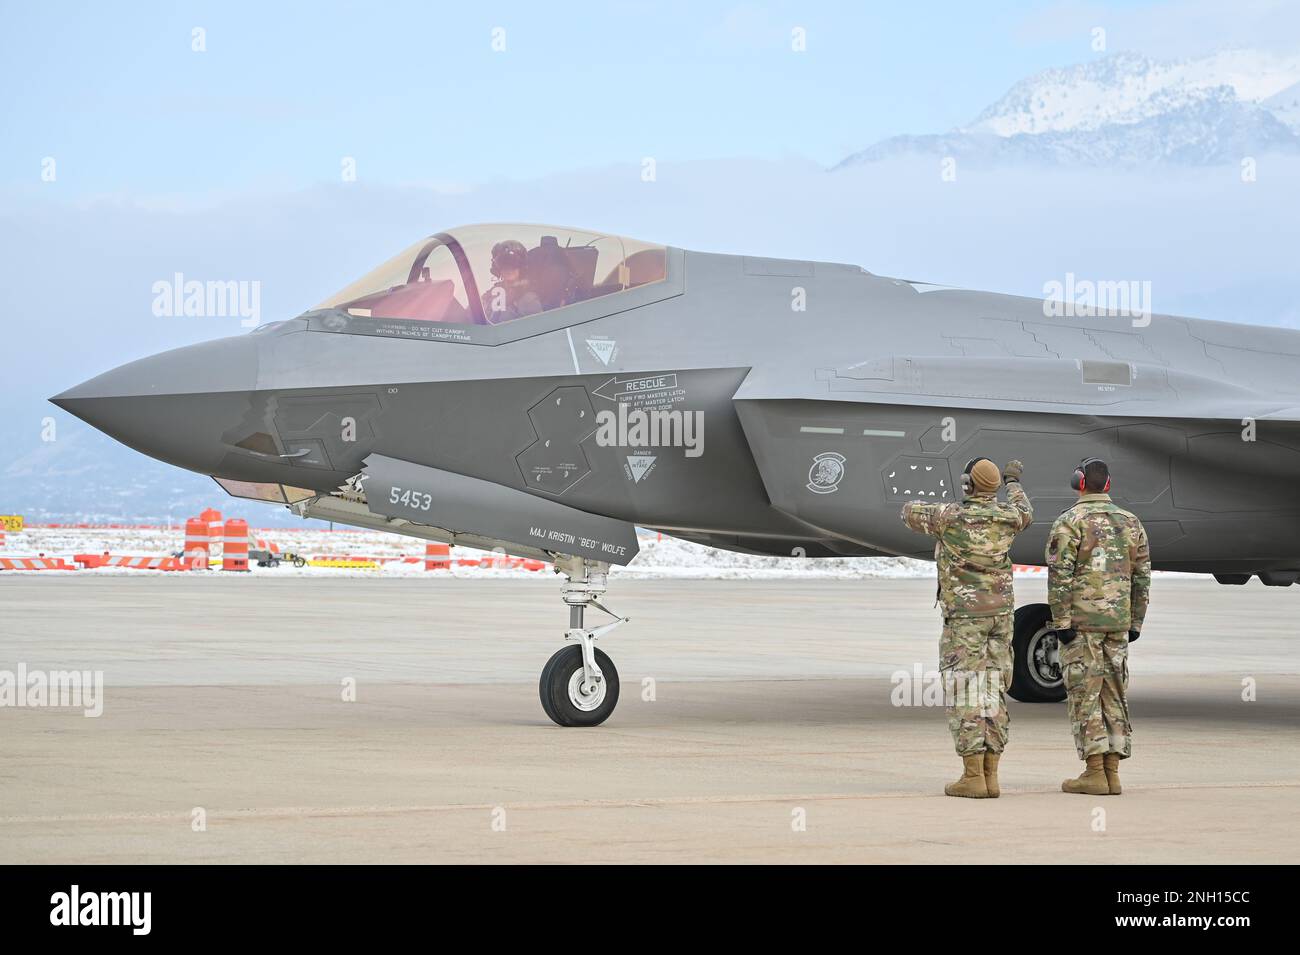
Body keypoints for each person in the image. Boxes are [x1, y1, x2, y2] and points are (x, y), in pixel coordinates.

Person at [901, 457, 1033, 798]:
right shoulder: (1010, 517)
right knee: (993, 689)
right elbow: (1024, 508)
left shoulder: (950, 517)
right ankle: (991, 776)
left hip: (965, 618)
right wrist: (1012, 482)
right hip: (1001, 617)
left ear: (967, 485)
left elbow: (908, 512)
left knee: (966, 691)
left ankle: (972, 775)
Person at [1045, 457, 1151, 796]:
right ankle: (1112, 772)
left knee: (1085, 694)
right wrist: (1135, 620)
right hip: (1117, 623)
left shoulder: (1069, 521)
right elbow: (1142, 576)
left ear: (1079, 483)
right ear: (1107, 484)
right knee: (1114, 692)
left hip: (1082, 624)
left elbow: (1060, 575)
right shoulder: (1131, 522)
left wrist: (1061, 621)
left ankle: (1094, 771)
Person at [480, 239, 542, 324]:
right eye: (504, 263)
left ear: (521, 267)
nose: (509, 268)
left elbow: (538, 328)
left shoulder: (528, 299)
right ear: (497, 268)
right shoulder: (491, 294)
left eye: (514, 263)